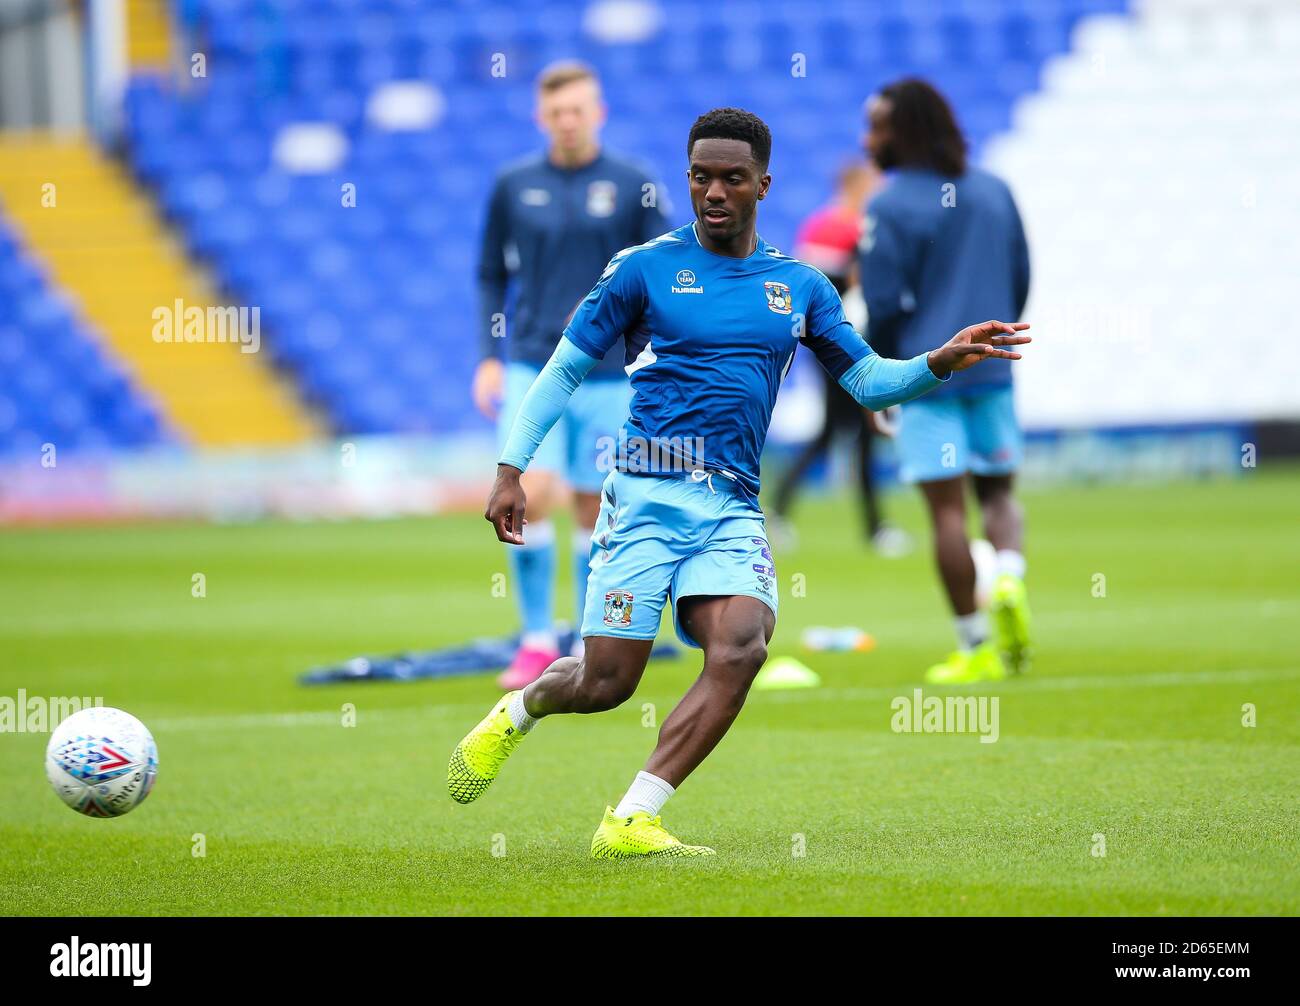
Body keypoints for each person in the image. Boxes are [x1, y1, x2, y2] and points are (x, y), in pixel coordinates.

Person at [449, 108, 1031, 858]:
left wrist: (937, 362)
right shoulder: (642, 268)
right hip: (647, 496)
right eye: (700, 177)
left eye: (731, 178)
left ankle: (631, 817)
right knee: (605, 684)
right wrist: (510, 470)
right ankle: (521, 710)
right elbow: (563, 370)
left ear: (763, 183)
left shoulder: (800, 287)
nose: (714, 191)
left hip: (728, 506)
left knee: (742, 646)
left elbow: (867, 381)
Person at [474, 61, 670, 689]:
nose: (567, 120)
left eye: (577, 109)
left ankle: (589, 643)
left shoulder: (633, 181)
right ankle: (535, 639)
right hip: (534, 362)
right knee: (527, 490)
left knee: (596, 504)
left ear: (598, 111)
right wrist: (487, 354)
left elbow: (665, 271)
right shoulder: (513, 185)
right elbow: (488, 274)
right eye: (556, 111)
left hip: (611, 374)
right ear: (541, 117)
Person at [858, 78, 1033, 686]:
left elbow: (881, 304)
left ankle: (974, 643)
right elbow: (1021, 274)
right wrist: (995, 340)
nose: (867, 139)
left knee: (947, 516)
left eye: (876, 126)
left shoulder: (888, 203)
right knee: (998, 496)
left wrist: (879, 380)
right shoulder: (992, 191)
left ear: (900, 131)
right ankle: (1008, 574)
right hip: (992, 368)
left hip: (926, 376)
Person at [769, 160, 910, 557]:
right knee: (851, 430)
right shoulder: (850, 229)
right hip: (844, 343)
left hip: (827, 342)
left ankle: (782, 512)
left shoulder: (818, 227)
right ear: (856, 185)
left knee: (839, 431)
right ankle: (873, 528)